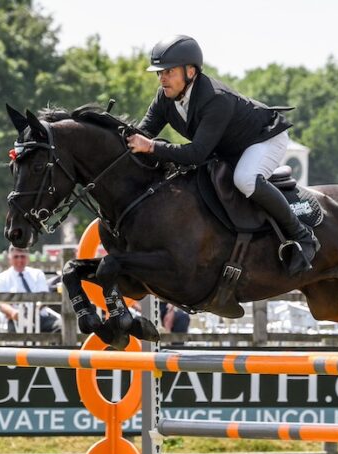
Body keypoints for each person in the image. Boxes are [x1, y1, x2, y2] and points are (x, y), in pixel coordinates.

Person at [124, 35, 319, 275]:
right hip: (229, 148)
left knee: (245, 179)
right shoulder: (165, 97)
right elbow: (143, 133)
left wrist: (153, 147)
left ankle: (302, 236)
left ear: (191, 72)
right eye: (159, 73)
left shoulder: (215, 99)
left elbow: (195, 153)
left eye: (169, 72)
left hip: (263, 138)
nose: (162, 78)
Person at [0, 246, 62, 333]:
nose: (19, 260)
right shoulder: (1, 278)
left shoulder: (37, 274)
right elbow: (1, 303)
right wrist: (13, 313)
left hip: (39, 315)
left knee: (62, 326)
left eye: (22, 257)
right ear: (9, 258)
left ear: (28, 258)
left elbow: (44, 296)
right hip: (16, 319)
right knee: (21, 333)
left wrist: (34, 310)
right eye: (16, 257)